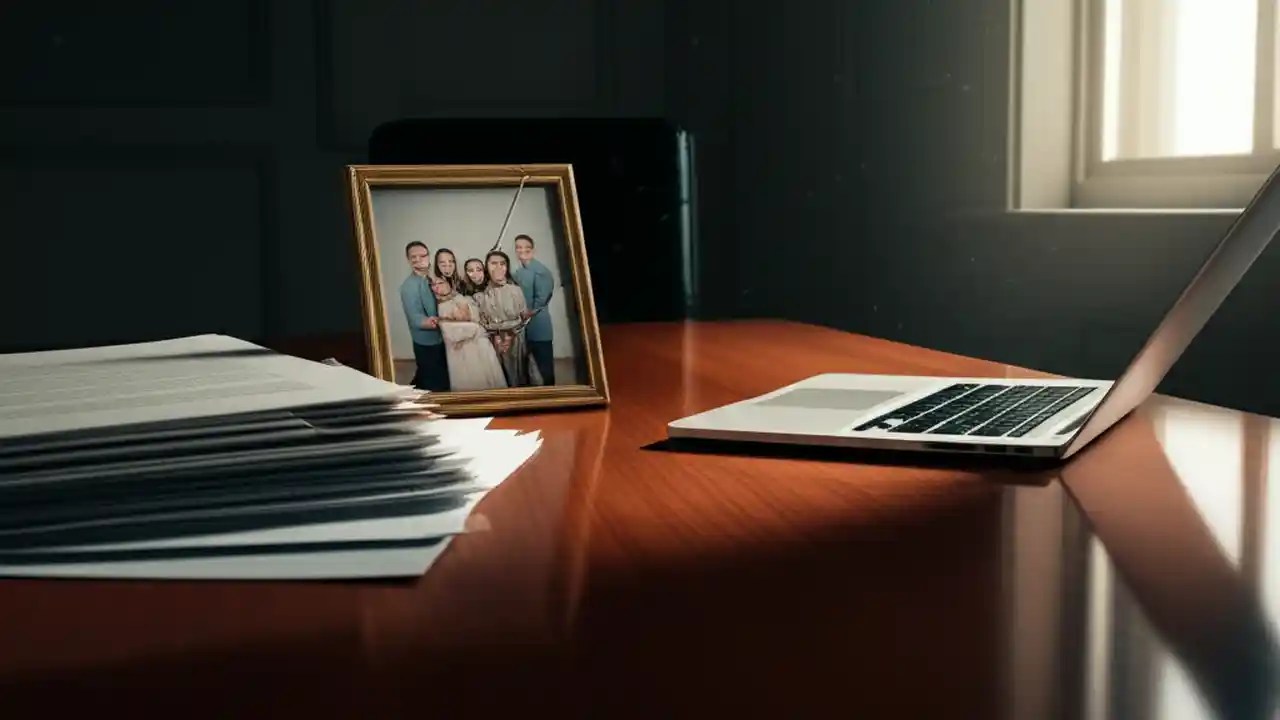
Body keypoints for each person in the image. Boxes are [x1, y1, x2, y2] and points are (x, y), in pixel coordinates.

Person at [431, 275, 507, 391]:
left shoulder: (463, 298)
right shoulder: (438, 305)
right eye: (433, 285)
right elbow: (454, 330)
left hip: (480, 345)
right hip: (461, 350)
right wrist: (475, 328)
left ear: (449, 283)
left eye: (440, 283)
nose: (436, 287)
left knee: (489, 380)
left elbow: (473, 317)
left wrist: (472, 324)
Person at [474, 250, 530, 386]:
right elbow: (480, 323)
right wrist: (495, 336)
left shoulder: (515, 290)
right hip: (492, 342)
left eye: (502, 264)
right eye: (493, 263)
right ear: (486, 267)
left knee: (517, 379)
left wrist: (510, 336)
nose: (498, 268)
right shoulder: (479, 296)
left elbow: (525, 318)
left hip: (515, 341)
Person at [398, 241, 449, 391]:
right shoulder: (407, 287)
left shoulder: (434, 277)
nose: (419, 260)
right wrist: (439, 321)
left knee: (429, 374)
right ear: (408, 260)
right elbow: (415, 320)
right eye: (414, 257)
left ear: (428, 256)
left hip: (442, 338)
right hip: (426, 342)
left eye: (422, 256)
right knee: (434, 384)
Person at [512, 234, 556, 385]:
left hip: (539, 327)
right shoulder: (517, 273)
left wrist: (526, 313)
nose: (522, 250)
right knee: (527, 370)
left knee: (544, 370)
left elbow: (541, 300)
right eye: (518, 247)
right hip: (523, 329)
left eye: (526, 247)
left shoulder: (541, 271)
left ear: (533, 249)